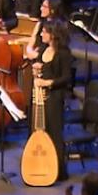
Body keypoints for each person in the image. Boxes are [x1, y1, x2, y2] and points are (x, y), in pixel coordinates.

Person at [31, 22, 72, 182]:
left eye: (44, 32)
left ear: (53, 34)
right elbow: (39, 71)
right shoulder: (42, 49)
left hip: (55, 98)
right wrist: (36, 70)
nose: (41, 34)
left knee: (54, 134)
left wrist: (48, 83)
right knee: (39, 132)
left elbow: (66, 77)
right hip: (40, 98)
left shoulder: (63, 53)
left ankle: (57, 170)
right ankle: (39, 166)